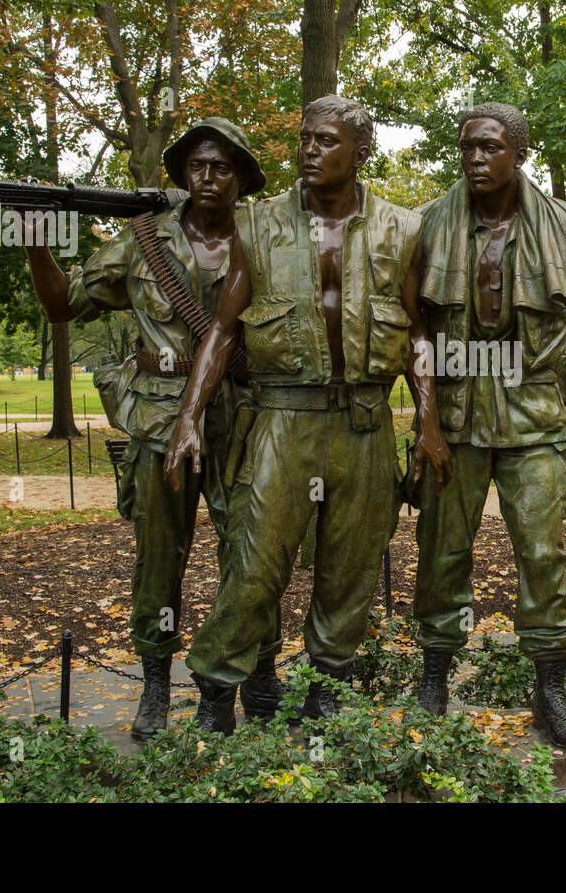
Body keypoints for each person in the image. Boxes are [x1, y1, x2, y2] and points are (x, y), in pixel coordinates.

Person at [164, 95, 452, 732]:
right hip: (283, 421)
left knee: (351, 566)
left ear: (359, 152)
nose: (308, 151)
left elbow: (418, 333)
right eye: (304, 139)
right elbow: (224, 328)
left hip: (365, 421)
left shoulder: (402, 229)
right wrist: (190, 414)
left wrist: (427, 424)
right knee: (255, 563)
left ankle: (328, 686)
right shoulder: (259, 224)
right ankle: (216, 693)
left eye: (325, 141)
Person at [20, 118, 284, 741]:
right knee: (159, 557)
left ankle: (258, 672)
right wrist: (35, 241)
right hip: (161, 420)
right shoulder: (143, 241)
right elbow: (62, 304)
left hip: (245, 416)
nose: (207, 176)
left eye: (221, 166)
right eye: (196, 166)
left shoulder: (269, 239)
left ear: (243, 177)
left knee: (252, 553)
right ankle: (157, 683)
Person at [411, 102, 566, 750]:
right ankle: (432, 679)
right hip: (455, 417)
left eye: (490, 148)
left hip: (533, 413)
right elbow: (417, 331)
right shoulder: (430, 222)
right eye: (467, 149)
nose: (476, 160)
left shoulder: (563, 225)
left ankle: (550, 690)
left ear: (518, 153)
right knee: (443, 551)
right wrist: (426, 422)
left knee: (543, 554)